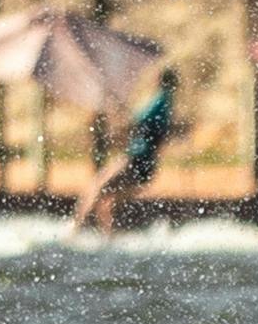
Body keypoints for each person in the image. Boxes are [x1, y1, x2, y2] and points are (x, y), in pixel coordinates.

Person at [71, 62, 182, 236]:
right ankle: (109, 238)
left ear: (159, 80)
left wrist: (116, 107)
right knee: (109, 200)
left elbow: (134, 121)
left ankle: (74, 235)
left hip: (135, 158)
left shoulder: (159, 100)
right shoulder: (168, 103)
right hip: (147, 164)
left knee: (97, 187)